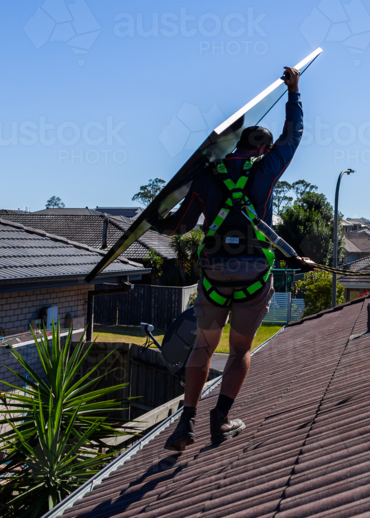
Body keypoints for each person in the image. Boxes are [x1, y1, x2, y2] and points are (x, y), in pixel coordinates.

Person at [155, 66, 303, 451]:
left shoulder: (207, 175)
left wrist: (158, 223)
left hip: (214, 276)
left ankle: (184, 423)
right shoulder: (268, 167)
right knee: (239, 351)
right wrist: (294, 92)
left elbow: (181, 226)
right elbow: (293, 137)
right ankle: (219, 420)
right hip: (254, 275)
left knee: (203, 347)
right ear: (263, 149)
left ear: (237, 144)